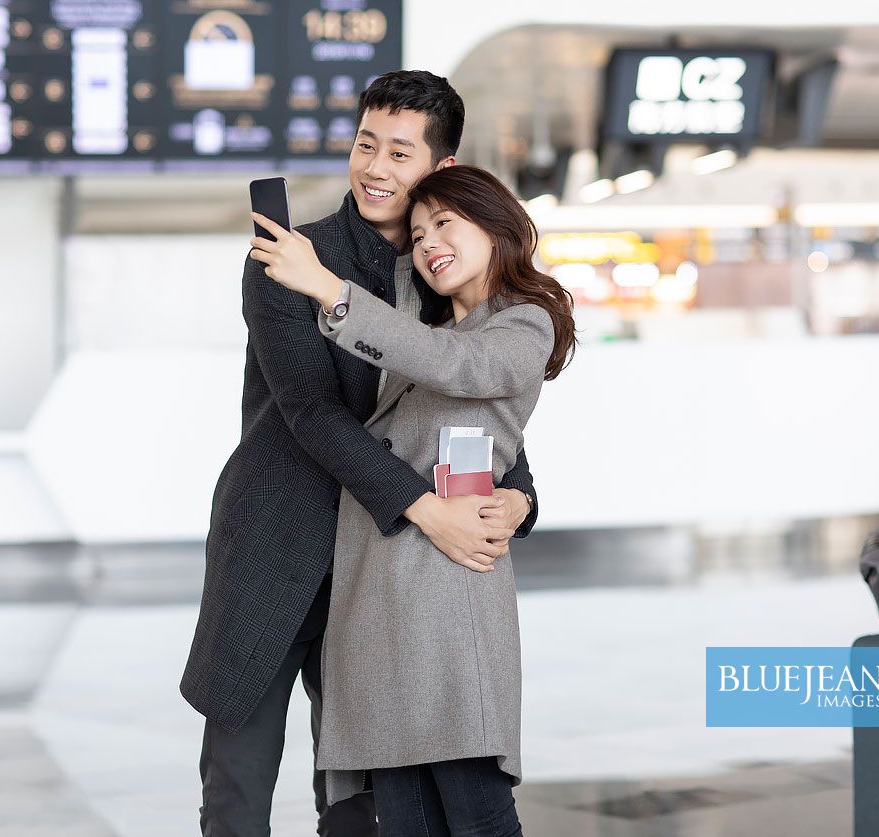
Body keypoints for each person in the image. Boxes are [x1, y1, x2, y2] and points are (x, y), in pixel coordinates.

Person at [180, 72, 542, 837]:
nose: (374, 167)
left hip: (379, 569)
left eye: (398, 152)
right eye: (364, 144)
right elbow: (312, 410)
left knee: (359, 799)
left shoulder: (441, 263)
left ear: (439, 168)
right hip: (277, 542)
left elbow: (473, 388)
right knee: (237, 788)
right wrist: (426, 509)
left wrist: (520, 491)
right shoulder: (289, 256)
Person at [250, 164, 577, 836]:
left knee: (475, 808)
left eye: (445, 224)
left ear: (495, 225)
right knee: (404, 816)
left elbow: (460, 367)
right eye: (418, 232)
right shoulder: (417, 319)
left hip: (447, 596)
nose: (427, 243)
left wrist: (327, 288)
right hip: (378, 592)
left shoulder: (522, 323)